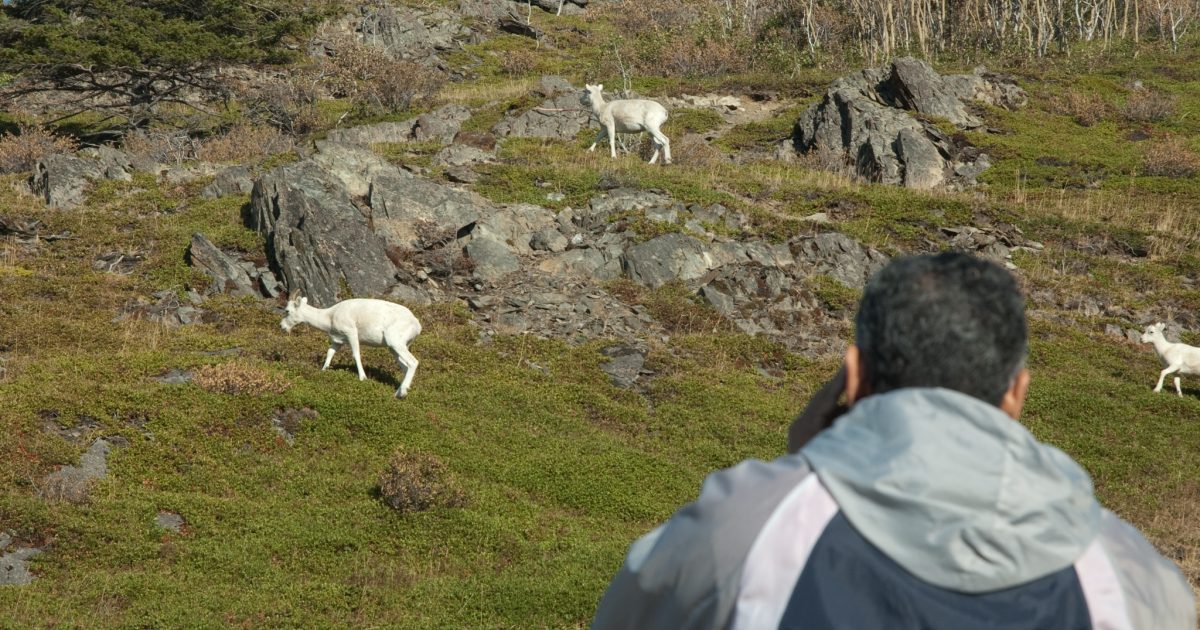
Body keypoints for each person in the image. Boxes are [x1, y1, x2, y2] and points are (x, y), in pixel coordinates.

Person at [591, 252, 1195, 629]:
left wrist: (801, 468)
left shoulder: (731, 541)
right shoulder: (1135, 581)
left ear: (852, 377)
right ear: (1017, 393)